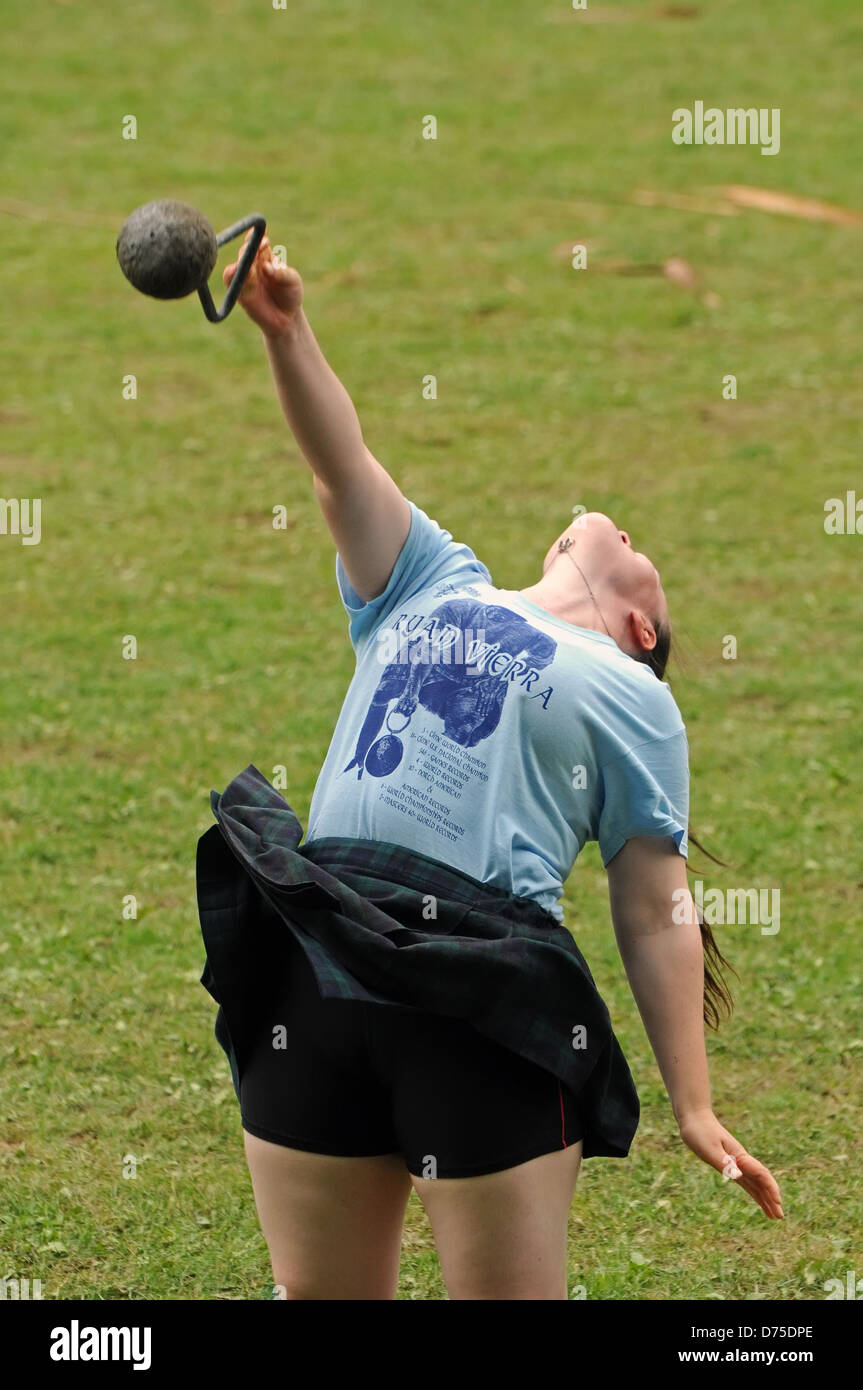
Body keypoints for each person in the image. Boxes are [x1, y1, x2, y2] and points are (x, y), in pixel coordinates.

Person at [196, 231, 783, 1303]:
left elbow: (653, 904)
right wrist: (287, 332)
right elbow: (340, 473)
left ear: (638, 624)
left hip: (479, 994)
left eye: (643, 554)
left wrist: (693, 1108)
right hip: (319, 945)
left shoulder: (631, 695)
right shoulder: (431, 578)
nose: (619, 525)